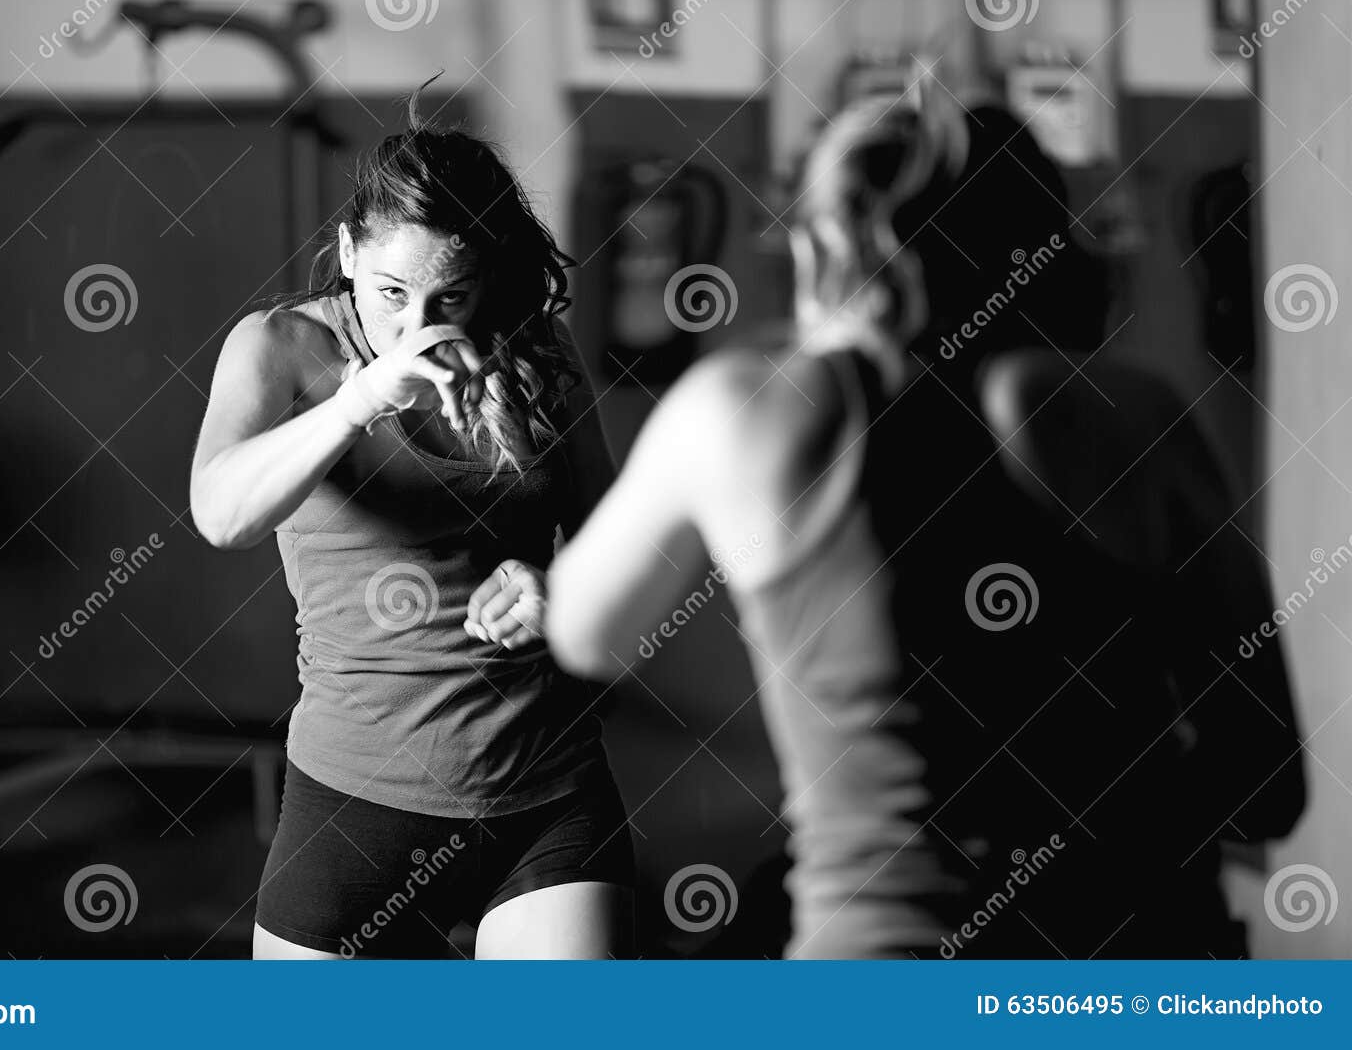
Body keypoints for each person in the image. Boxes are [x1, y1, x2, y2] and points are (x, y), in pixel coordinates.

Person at [544, 88, 1306, 958]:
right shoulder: (1132, 414)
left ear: (830, 244)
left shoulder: (748, 409)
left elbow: (583, 633)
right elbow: (1266, 784)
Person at [190, 105, 633, 958]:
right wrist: (361, 398)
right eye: (391, 293)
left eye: (449, 297)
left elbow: (614, 535)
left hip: (545, 790)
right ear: (350, 251)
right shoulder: (281, 346)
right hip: (358, 798)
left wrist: (562, 589)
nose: (417, 322)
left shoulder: (538, 350)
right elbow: (222, 511)